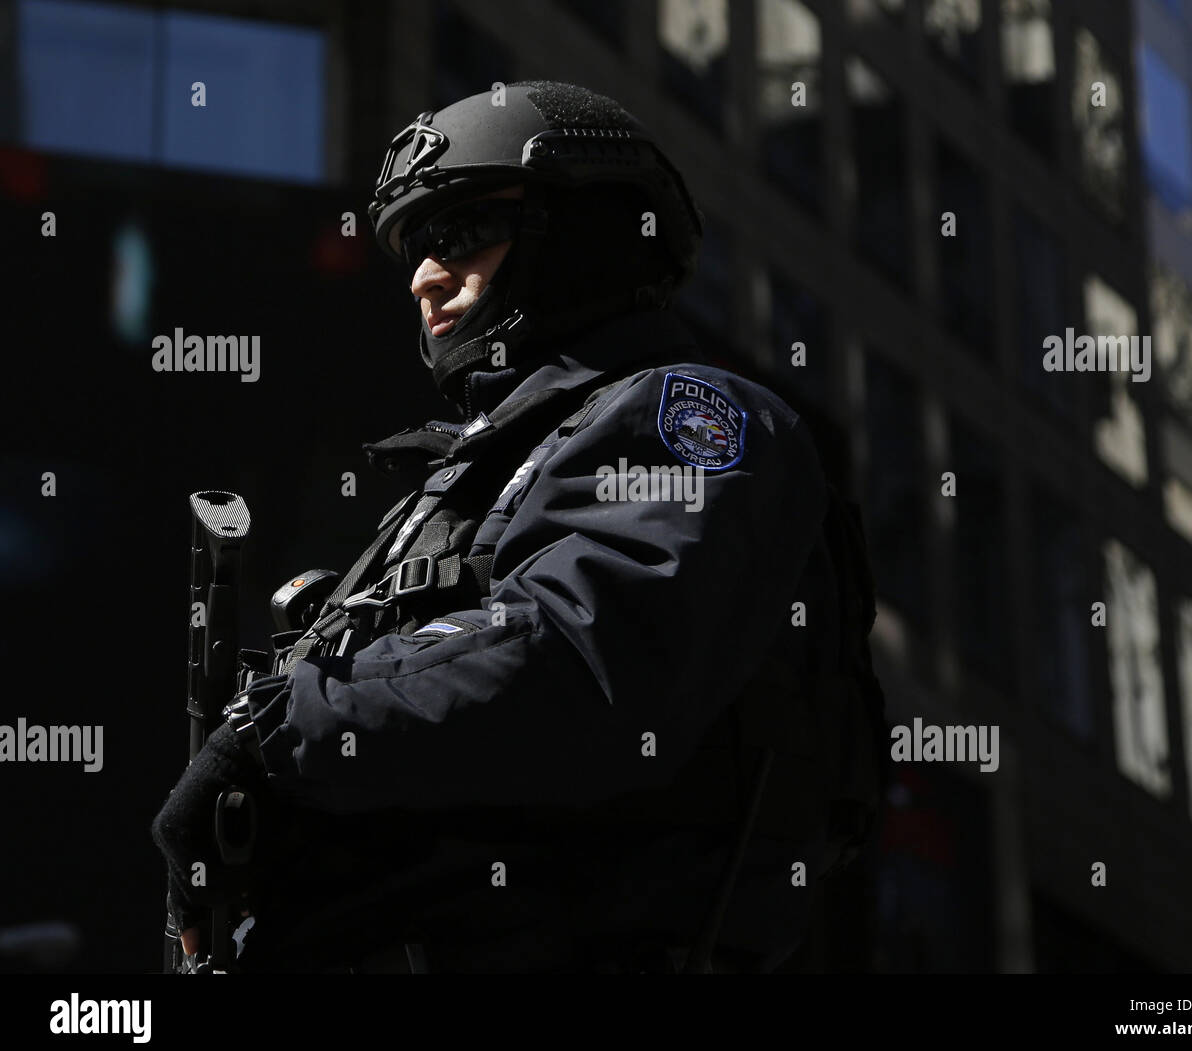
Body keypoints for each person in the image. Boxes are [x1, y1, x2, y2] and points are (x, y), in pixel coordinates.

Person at [152, 80, 886, 974]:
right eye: (417, 247)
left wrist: (273, 735)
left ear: (582, 233)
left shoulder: (686, 413)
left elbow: (582, 652)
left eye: (461, 233)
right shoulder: (468, 481)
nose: (424, 273)